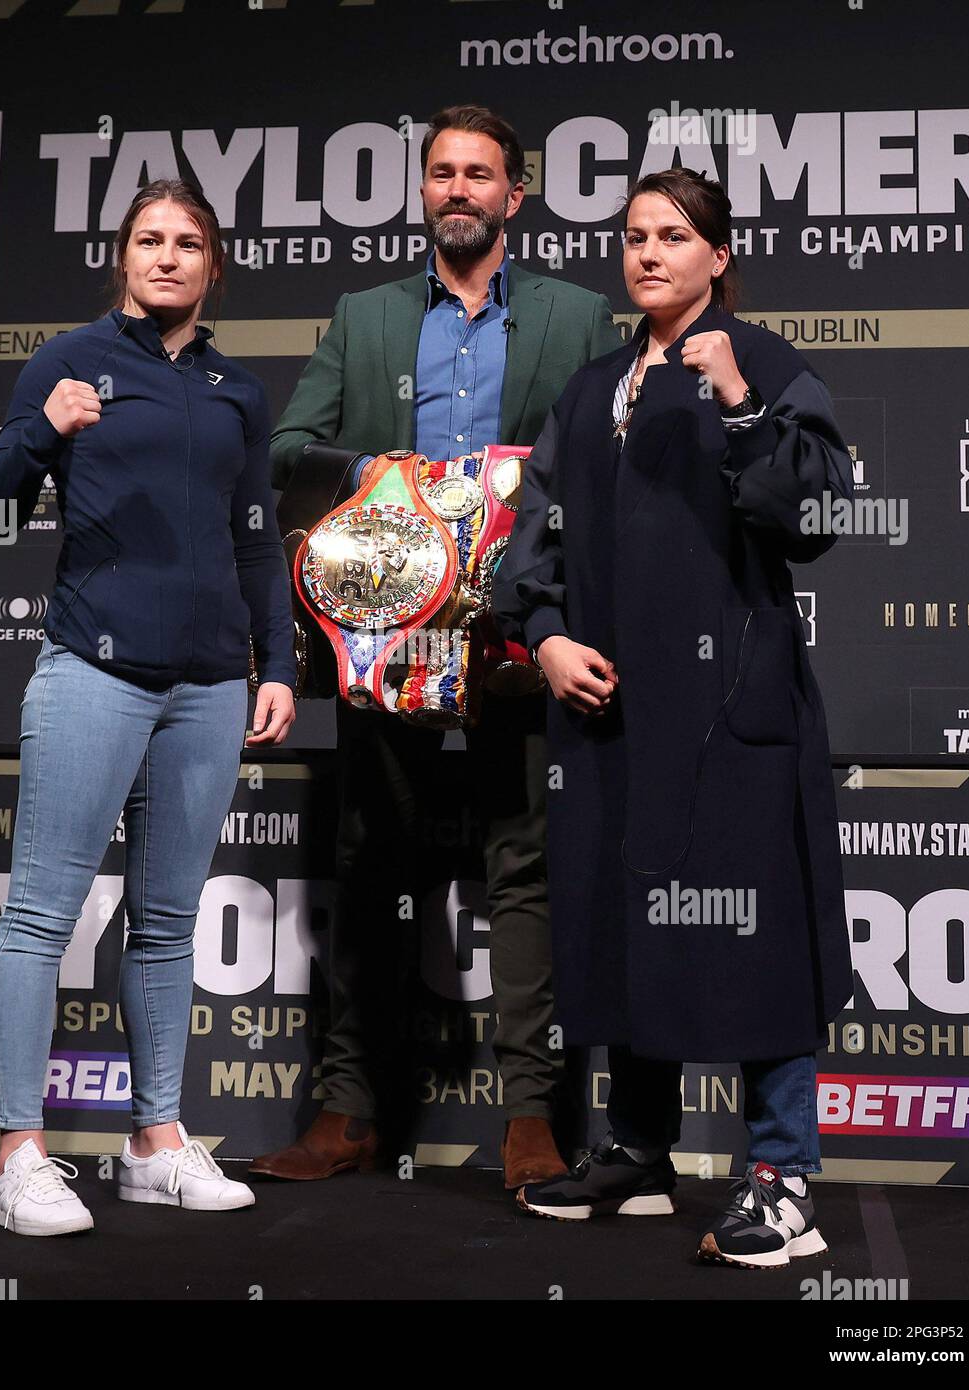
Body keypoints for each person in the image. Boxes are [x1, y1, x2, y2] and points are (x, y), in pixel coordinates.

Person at [251, 105, 618, 1191]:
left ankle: (532, 1120)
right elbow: (284, 447)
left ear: (515, 194)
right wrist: (393, 490)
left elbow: (605, 458)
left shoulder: (575, 314)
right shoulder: (363, 317)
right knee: (372, 862)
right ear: (424, 193)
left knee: (526, 867)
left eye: (479, 175)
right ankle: (348, 1109)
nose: (458, 190)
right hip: (384, 637)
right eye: (441, 174)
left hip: (520, 632)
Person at [493, 167, 853, 1268]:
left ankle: (781, 1175)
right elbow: (529, 538)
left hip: (729, 716)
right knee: (617, 924)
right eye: (634, 236)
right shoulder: (588, 385)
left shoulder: (768, 366)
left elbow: (818, 511)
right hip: (608, 719)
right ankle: (637, 1151)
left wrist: (739, 399)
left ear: (716, 254)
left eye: (672, 236)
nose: (647, 252)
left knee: (757, 939)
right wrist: (544, 636)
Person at [0, 177, 297, 1235]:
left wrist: (279, 664)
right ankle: (17, 1152)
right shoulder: (69, 361)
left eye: (187, 242)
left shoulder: (238, 392)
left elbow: (255, 536)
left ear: (213, 265)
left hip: (208, 685)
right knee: (37, 914)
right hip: (93, 670)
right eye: (148, 240)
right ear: (122, 257)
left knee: (164, 922)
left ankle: (154, 1139)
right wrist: (39, 434)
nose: (166, 256)